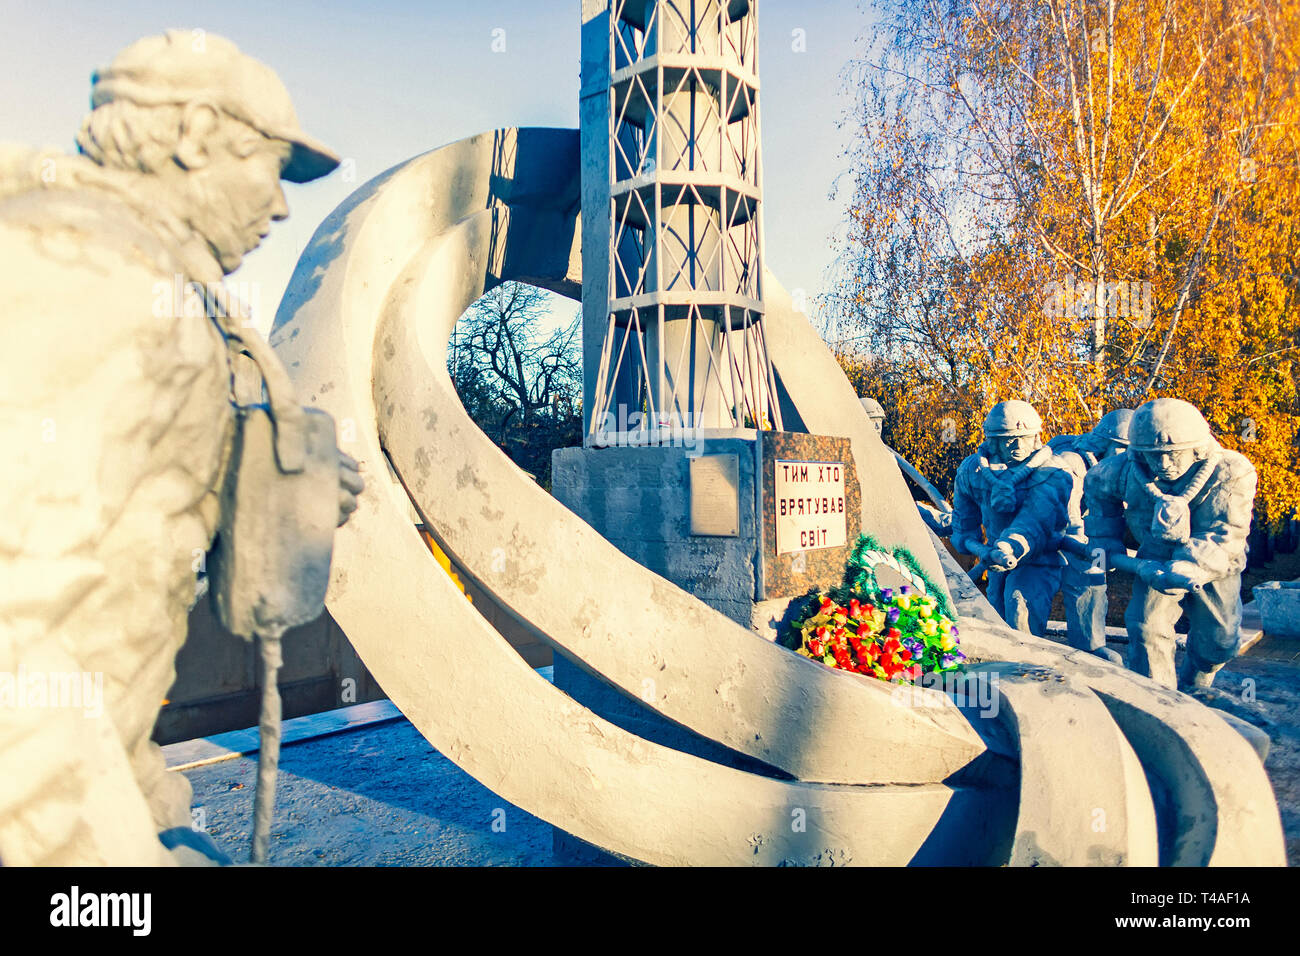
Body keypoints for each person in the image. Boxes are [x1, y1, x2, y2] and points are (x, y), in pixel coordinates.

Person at [0, 31, 355, 865]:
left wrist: (247, 483)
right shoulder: (90, 274)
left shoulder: (152, 282)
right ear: (196, 134)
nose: (279, 208)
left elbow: (111, 578)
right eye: (270, 168)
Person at [1084, 398, 1256, 691]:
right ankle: (1159, 705)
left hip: (1214, 563)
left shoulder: (1231, 471)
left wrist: (1193, 569)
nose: (1164, 464)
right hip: (1156, 558)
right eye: (1153, 455)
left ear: (1196, 447)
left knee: (1219, 642)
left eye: (1173, 454)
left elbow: (1227, 535)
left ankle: (1196, 685)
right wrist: (1142, 566)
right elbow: (1102, 548)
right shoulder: (1114, 473)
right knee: (1145, 626)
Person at [950, 401, 1073, 637]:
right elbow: (963, 530)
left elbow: (1034, 524)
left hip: (1039, 559)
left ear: (1035, 436)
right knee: (995, 622)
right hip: (995, 560)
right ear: (994, 440)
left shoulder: (1054, 472)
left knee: (1019, 609)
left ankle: (1028, 671)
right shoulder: (972, 471)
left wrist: (1007, 548)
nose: (1017, 445)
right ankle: (1002, 672)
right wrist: (982, 550)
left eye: (1024, 437)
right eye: (1009, 439)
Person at [1046, 409, 1133, 663]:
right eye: (1123, 449)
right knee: (1088, 572)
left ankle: (1089, 644)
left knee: (1092, 574)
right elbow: (1070, 519)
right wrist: (1096, 552)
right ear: (1104, 443)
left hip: (1072, 532)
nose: (1128, 457)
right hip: (1047, 533)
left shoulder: (1112, 466)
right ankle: (1084, 647)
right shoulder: (1071, 462)